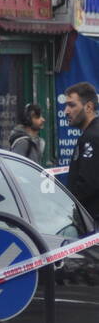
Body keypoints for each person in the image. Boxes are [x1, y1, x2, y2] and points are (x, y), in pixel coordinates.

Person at [64, 82, 99, 223]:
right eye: (65, 105)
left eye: (72, 105)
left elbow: (88, 183)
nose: (66, 111)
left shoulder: (92, 136)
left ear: (88, 107)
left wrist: (65, 204)